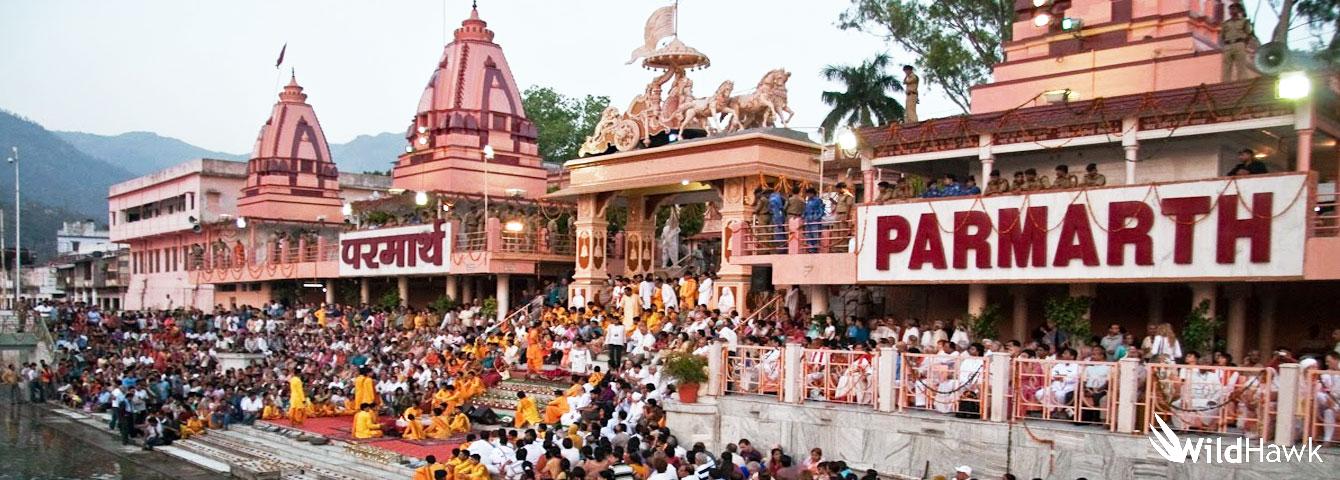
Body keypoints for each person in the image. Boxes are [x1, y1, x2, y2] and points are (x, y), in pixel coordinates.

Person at [1220, 2, 1255, 82]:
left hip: (1239, 43)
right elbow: (1222, 36)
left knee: (1241, 64)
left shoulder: (1244, 21)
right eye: (1230, 9)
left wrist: (1244, 44)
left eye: (1234, 9)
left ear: (1239, 10)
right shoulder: (1226, 23)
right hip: (1228, 44)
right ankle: (1225, 83)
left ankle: (1241, 82)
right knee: (1226, 66)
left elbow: (1248, 34)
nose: (1232, 11)